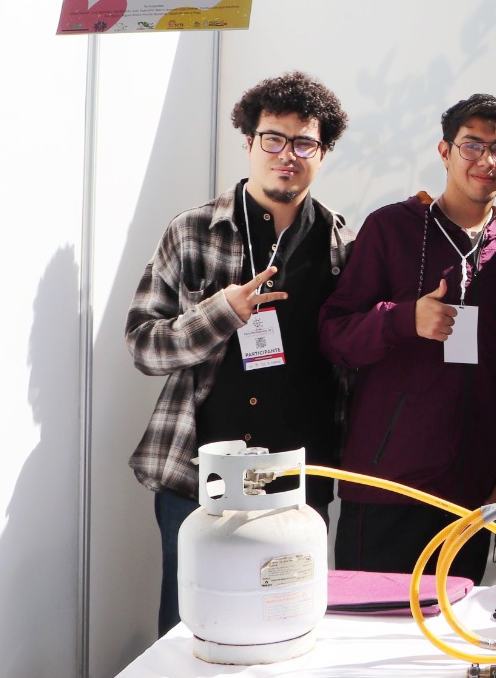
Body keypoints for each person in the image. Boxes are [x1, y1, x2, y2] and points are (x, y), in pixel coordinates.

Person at [126, 71, 353, 634]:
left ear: (322, 153)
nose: (287, 155)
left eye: (305, 143)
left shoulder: (338, 246)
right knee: (188, 632)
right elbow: (143, 345)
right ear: (249, 141)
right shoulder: (192, 231)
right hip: (199, 475)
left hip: (297, 479)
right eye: (272, 139)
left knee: (286, 629)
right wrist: (221, 311)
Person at [319, 94, 496, 580]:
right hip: (385, 487)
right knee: (370, 634)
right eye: (472, 146)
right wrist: (403, 319)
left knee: (449, 641)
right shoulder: (392, 228)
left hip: (471, 495)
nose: (486, 160)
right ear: (445, 152)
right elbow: (335, 336)